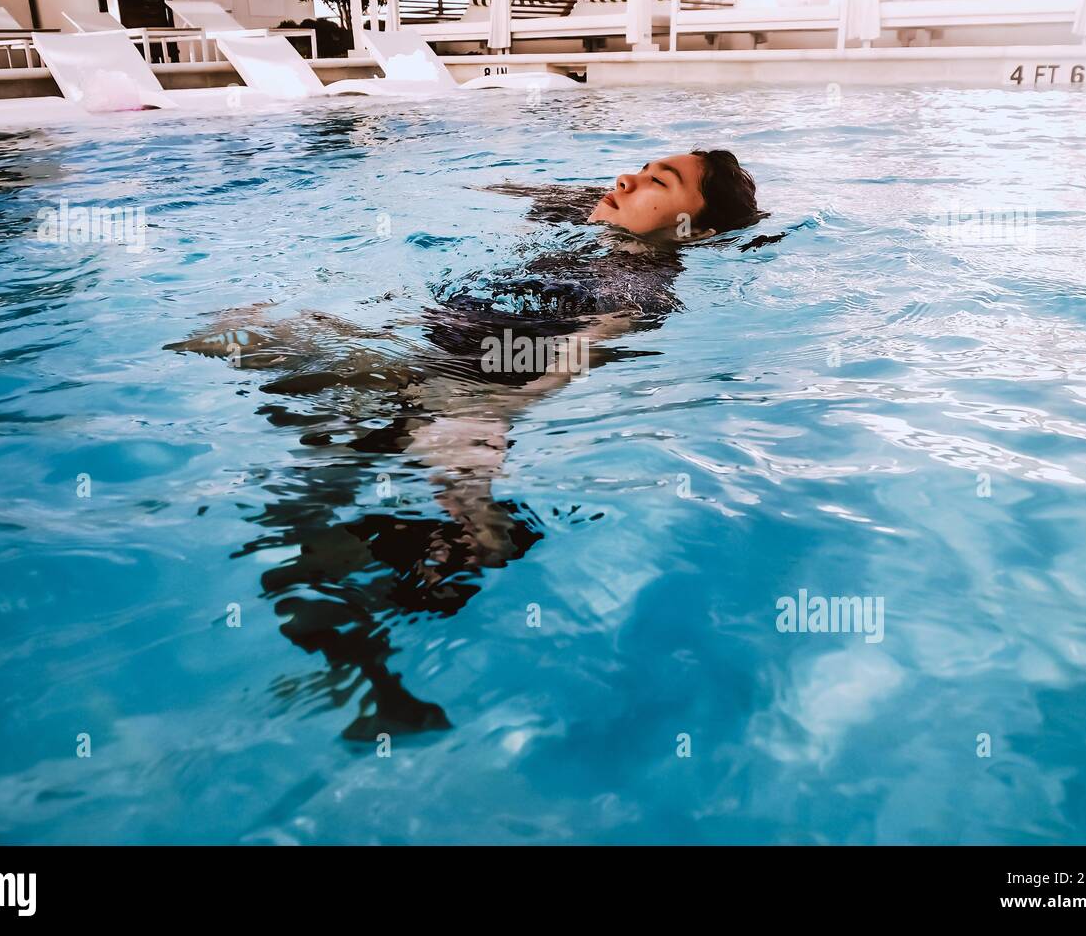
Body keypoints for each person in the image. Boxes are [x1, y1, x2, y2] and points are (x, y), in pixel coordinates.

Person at [167, 149, 783, 738]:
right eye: (640, 167)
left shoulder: (640, 284)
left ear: (689, 228)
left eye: (660, 180)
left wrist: (481, 422)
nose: (626, 179)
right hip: (411, 373)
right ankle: (374, 673)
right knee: (261, 399)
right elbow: (534, 202)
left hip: (456, 398)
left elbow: (576, 353)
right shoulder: (587, 228)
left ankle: (407, 632)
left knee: (262, 384)